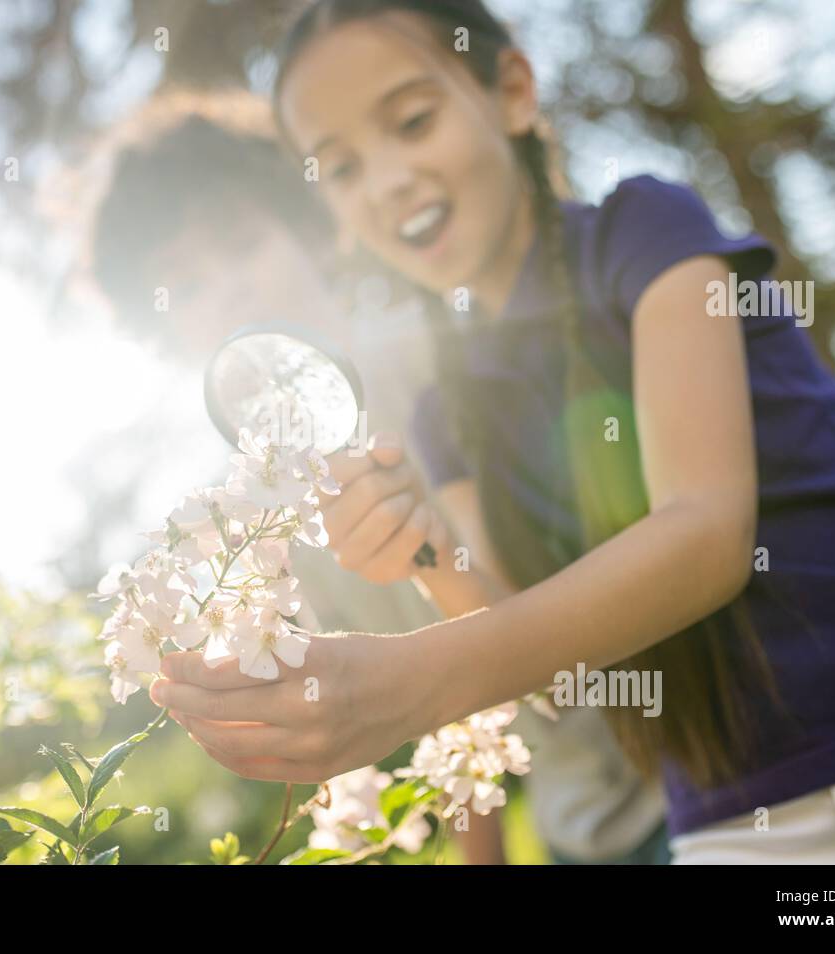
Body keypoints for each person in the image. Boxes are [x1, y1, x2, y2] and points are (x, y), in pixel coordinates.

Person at [148, 0, 835, 863]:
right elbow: (539, 671)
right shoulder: (443, 411)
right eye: (341, 169)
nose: (386, 181)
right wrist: (423, 553)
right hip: (735, 819)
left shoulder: (647, 231)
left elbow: (708, 534)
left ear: (510, 91)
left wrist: (413, 681)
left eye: (412, 122)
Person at [90, 89, 669, 864]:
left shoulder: (462, 353)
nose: (226, 287)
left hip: (698, 778)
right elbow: (438, 700)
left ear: (312, 230)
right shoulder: (271, 525)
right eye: (185, 284)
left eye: (239, 243)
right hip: (584, 832)